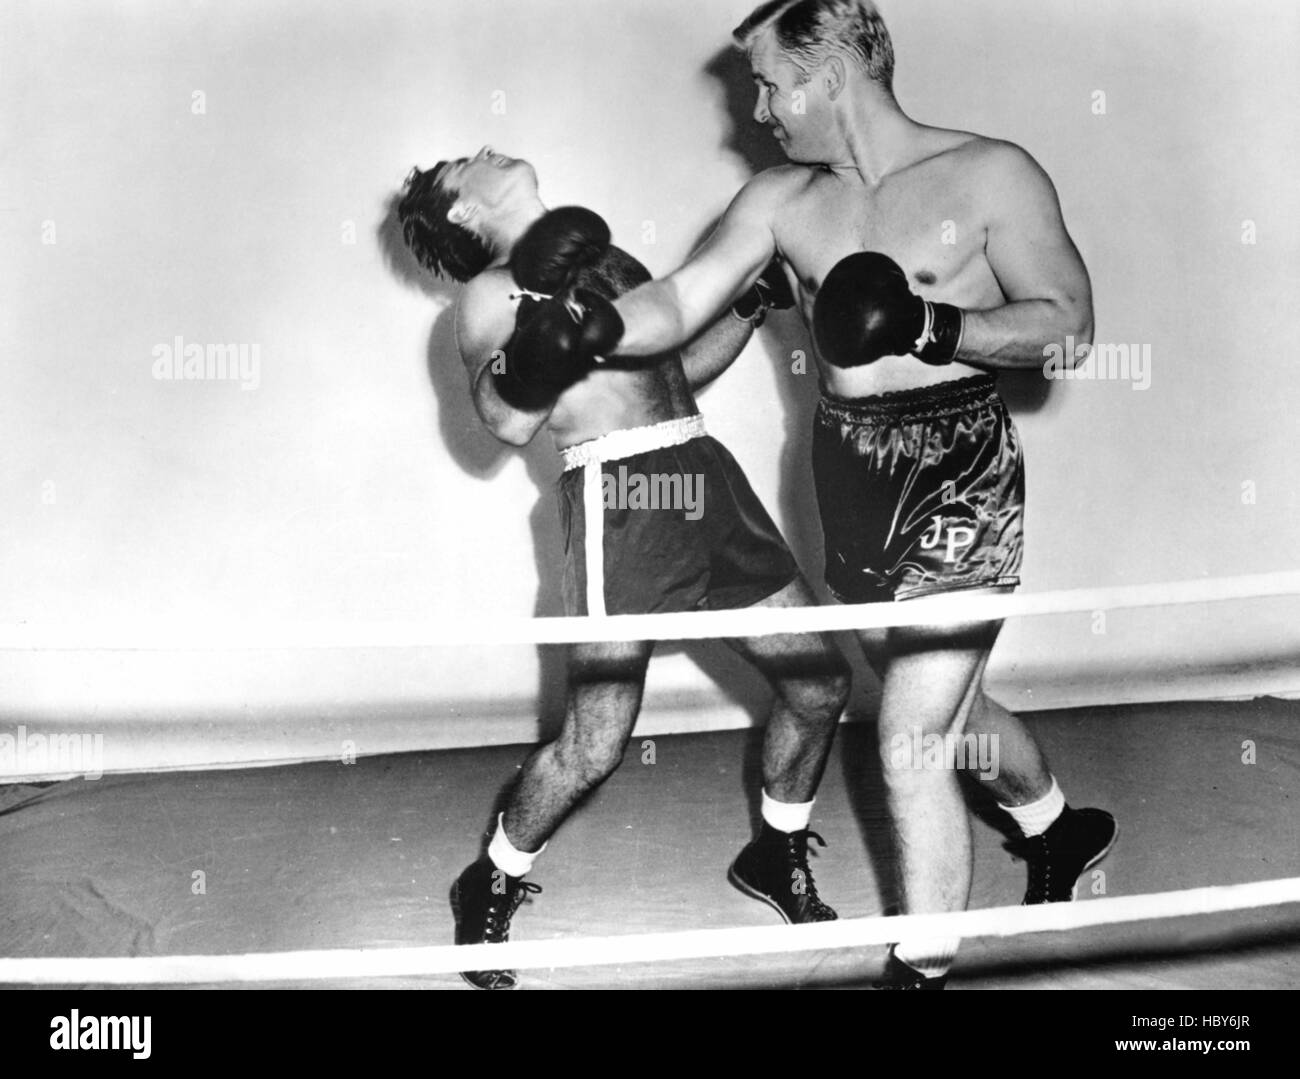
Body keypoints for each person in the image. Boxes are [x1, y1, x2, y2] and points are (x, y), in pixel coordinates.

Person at [547, 0, 1119, 989]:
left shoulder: (989, 173)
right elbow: (682, 299)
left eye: (771, 82)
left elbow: (1065, 328)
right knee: (946, 707)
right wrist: (589, 326)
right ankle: (1055, 828)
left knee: (907, 734)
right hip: (846, 474)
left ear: (836, 69)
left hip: (960, 475)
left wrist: (931, 323)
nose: (759, 108)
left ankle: (924, 966)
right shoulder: (778, 200)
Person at [397, 146, 852, 990]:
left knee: (820, 682)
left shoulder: (606, 259)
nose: (489, 150)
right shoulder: (487, 294)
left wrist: (747, 306)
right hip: (621, 491)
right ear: (464, 212)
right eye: (468, 162)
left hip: (702, 473)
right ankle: (491, 873)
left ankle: (775, 850)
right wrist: (536, 353)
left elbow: (677, 376)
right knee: (597, 742)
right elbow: (501, 423)